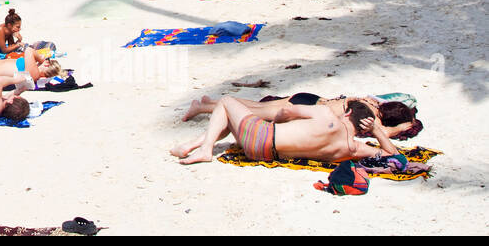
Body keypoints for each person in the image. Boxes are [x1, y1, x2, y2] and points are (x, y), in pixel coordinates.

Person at [170, 95, 402, 165]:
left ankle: (204, 149)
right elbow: (394, 156)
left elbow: (285, 114)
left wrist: (286, 119)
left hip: (261, 136)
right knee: (229, 120)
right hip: (265, 154)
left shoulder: (325, 114)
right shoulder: (352, 147)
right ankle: (190, 146)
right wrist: (378, 133)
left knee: (226, 102)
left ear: (348, 113)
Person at [181, 93, 421, 141]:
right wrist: (403, 127)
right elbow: (385, 134)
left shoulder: (369, 100)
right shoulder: (373, 118)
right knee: (255, 112)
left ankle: (209, 103)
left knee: (256, 107)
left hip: (309, 98)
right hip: (305, 107)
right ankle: (202, 108)